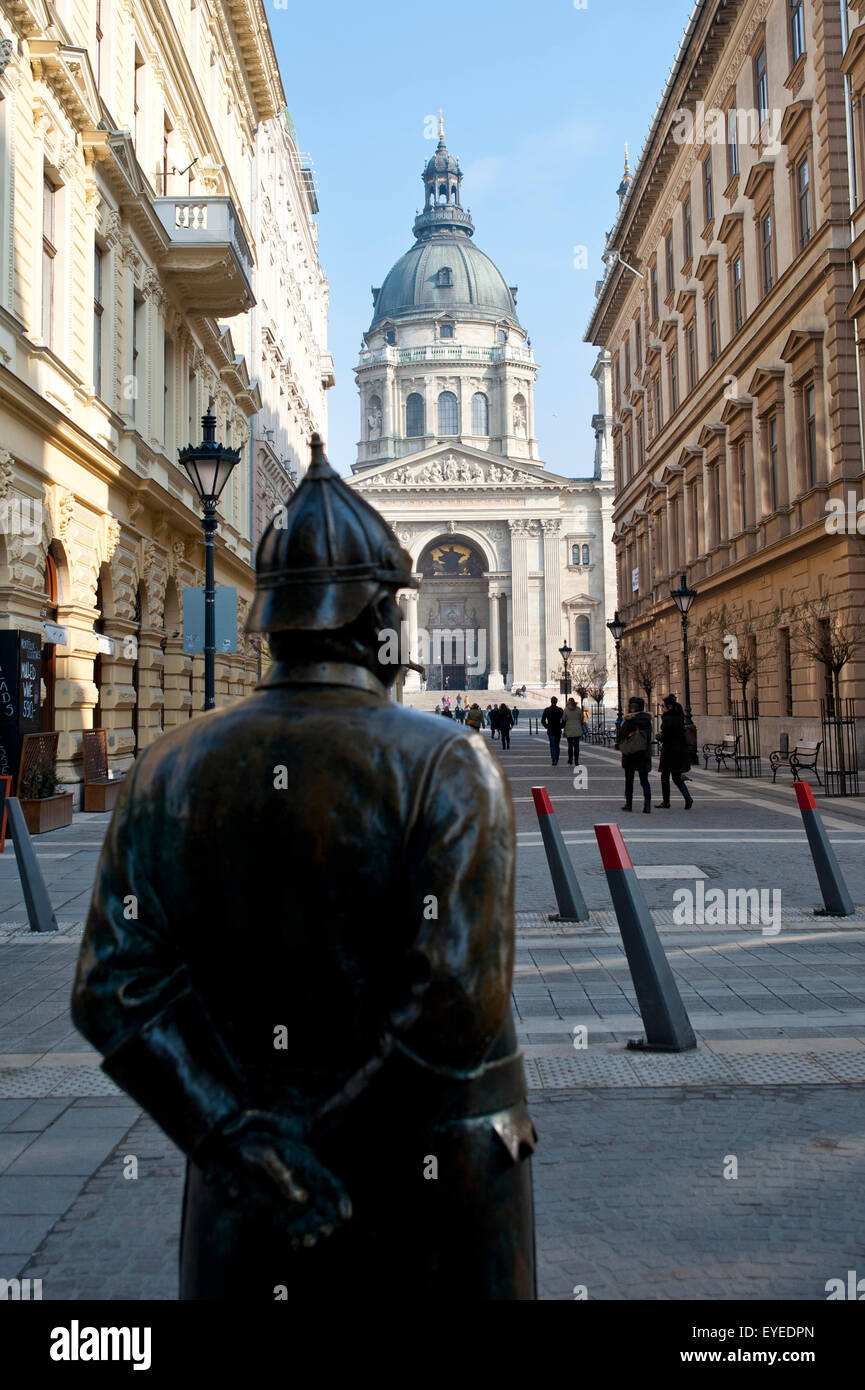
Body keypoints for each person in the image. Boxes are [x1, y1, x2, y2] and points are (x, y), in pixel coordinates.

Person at [70, 434, 536, 1301]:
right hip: (432, 1179)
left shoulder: (166, 766)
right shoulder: (447, 761)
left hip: (246, 1193)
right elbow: (457, 1004)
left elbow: (109, 990)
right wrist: (319, 1137)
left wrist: (244, 1141)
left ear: (271, 624)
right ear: (378, 617)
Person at [657, 694, 694, 809]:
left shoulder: (668, 719)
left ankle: (666, 801)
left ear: (670, 707)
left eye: (663, 706)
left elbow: (666, 737)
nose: (661, 708)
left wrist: (658, 736)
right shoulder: (679, 717)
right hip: (679, 752)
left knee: (665, 777)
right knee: (676, 777)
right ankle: (688, 798)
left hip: (669, 752)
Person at [618, 695, 653, 813]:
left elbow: (621, 735)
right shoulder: (647, 720)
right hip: (643, 753)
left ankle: (629, 804)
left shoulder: (629, 721)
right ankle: (647, 805)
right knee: (644, 780)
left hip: (630, 753)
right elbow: (649, 736)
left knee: (629, 780)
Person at [541, 696, 565, 766]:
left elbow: (543, 720)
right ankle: (556, 758)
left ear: (551, 702)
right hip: (558, 729)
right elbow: (564, 720)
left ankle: (553, 759)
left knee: (552, 745)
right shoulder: (560, 710)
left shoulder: (547, 710)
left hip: (550, 729)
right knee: (557, 745)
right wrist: (561, 726)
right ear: (556, 702)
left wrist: (546, 726)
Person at [563, 698, 582, 766]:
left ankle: (570, 760)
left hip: (569, 729)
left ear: (568, 702)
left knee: (570, 746)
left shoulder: (566, 709)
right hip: (577, 729)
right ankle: (576, 761)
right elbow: (581, 718)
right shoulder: (578, 709)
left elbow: (563, 719)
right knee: (576, 746)